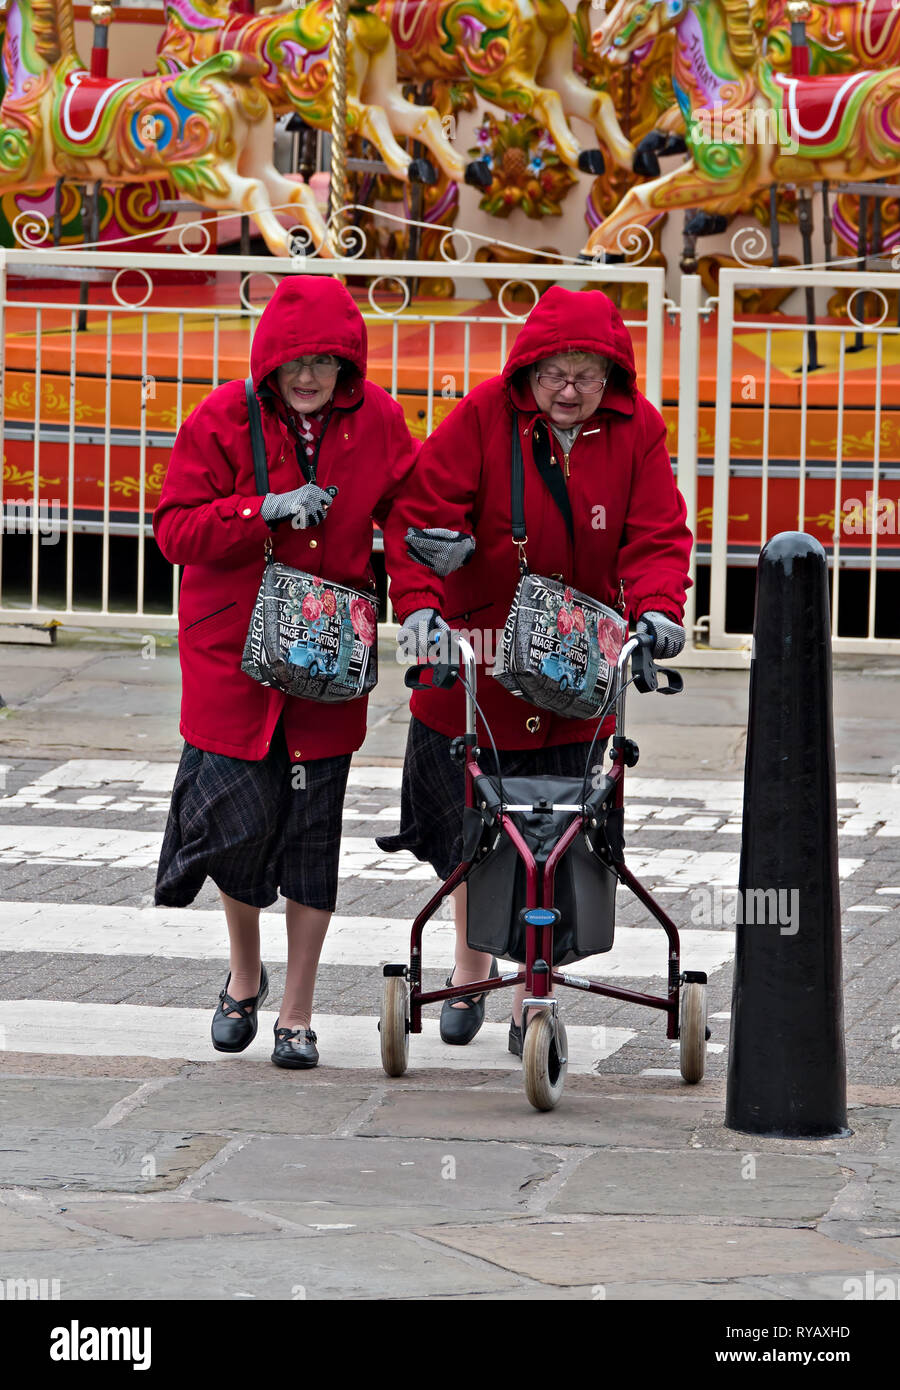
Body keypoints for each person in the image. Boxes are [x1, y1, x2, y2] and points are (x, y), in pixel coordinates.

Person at [379, 284, 692, 1057]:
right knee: (475, 824)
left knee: (555, 834)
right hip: (482, 663)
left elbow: (657, 534)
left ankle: (530, 994)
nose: (569, 390)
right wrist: (420, 599)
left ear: (611, 375)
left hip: (578, 675)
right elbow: (422, 513)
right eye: (554, 372)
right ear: (528, 369)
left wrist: (658, 610)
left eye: (586, 373)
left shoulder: (637, 428)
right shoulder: (485, 414)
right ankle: (468, 962)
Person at [153, 275, 417, 1069]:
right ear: (269, 362)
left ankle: (296, 1010)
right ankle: (243, 973)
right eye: (295, 362)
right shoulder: (219, 420)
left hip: (324, 666)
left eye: (327, 363)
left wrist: (429, 581)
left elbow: (409, 510)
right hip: (232, 663)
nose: (309, 378)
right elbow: (173, 530)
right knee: (235, 834)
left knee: (310, 841)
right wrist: (256, 510)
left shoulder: (379, 422)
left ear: (350, 368)